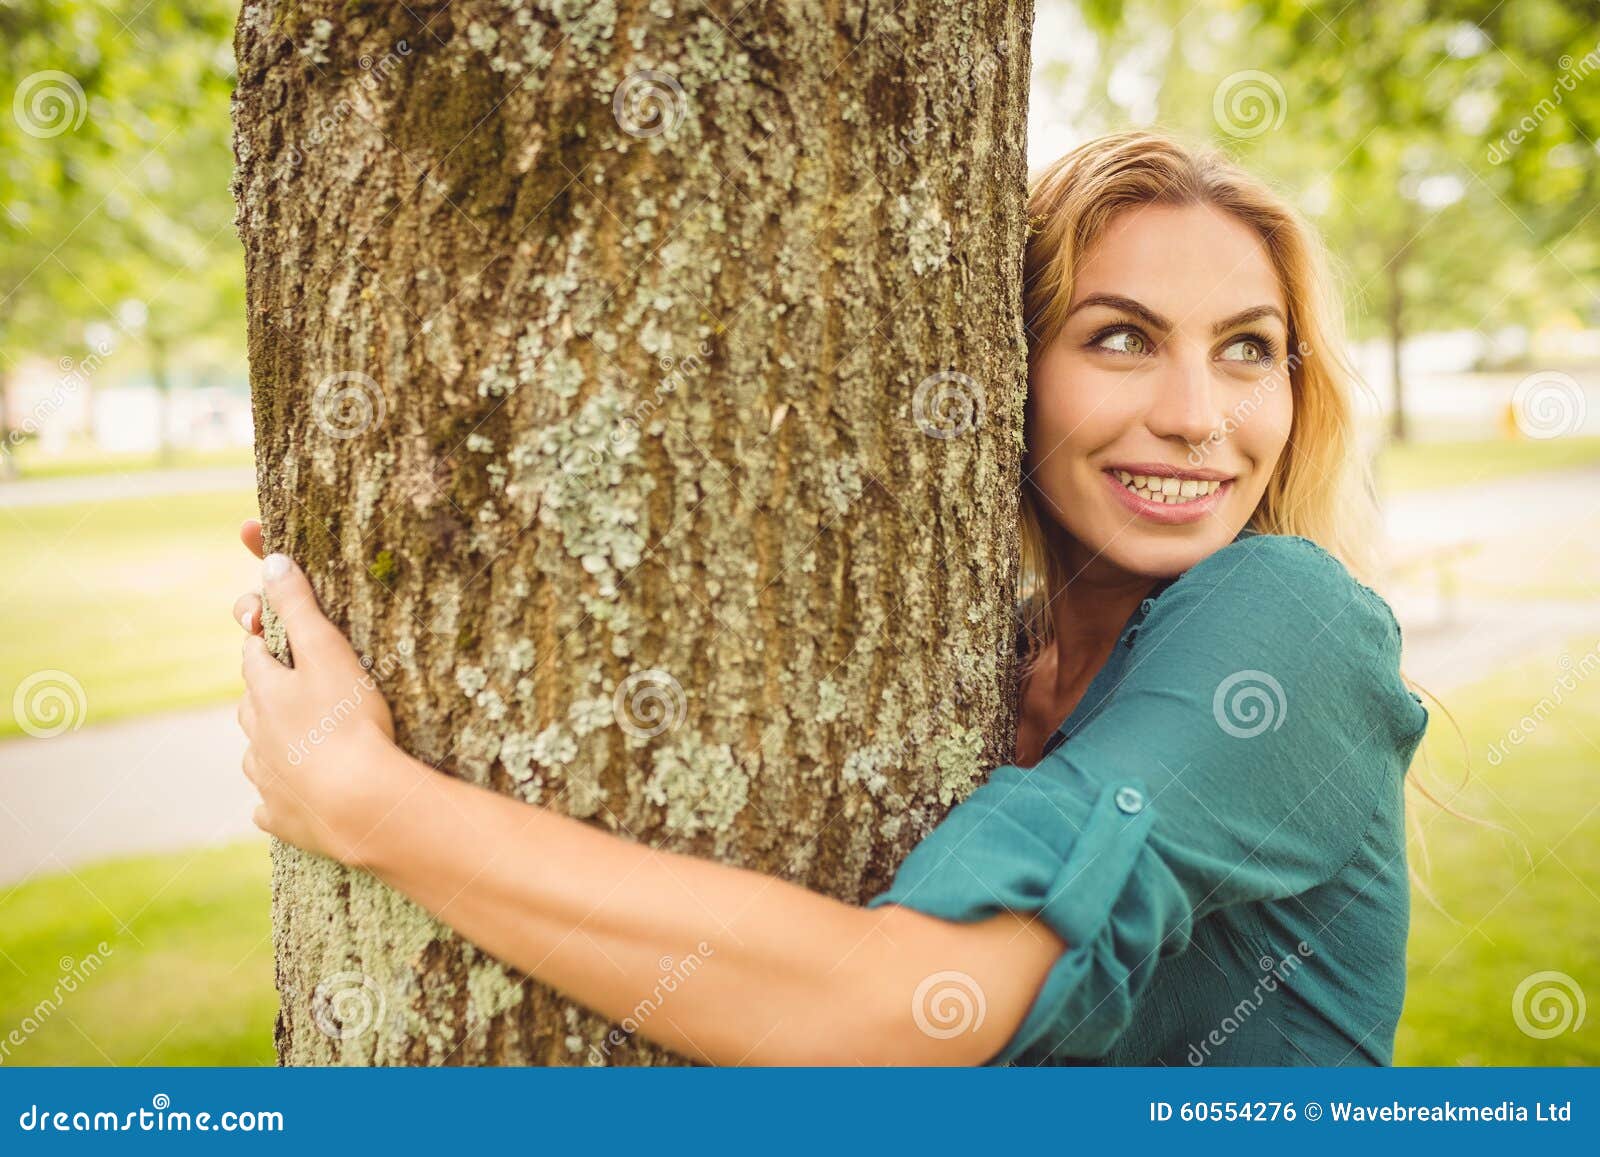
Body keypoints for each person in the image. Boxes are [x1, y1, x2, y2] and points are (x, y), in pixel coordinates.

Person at [228, 131, 1429, 1066]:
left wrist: (367, 802)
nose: (1197, 414)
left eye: (1247, 347)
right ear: (1002, 366)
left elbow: (895, 1019)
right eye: (1119, 337)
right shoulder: (983, 652)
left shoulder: (1289, 625)